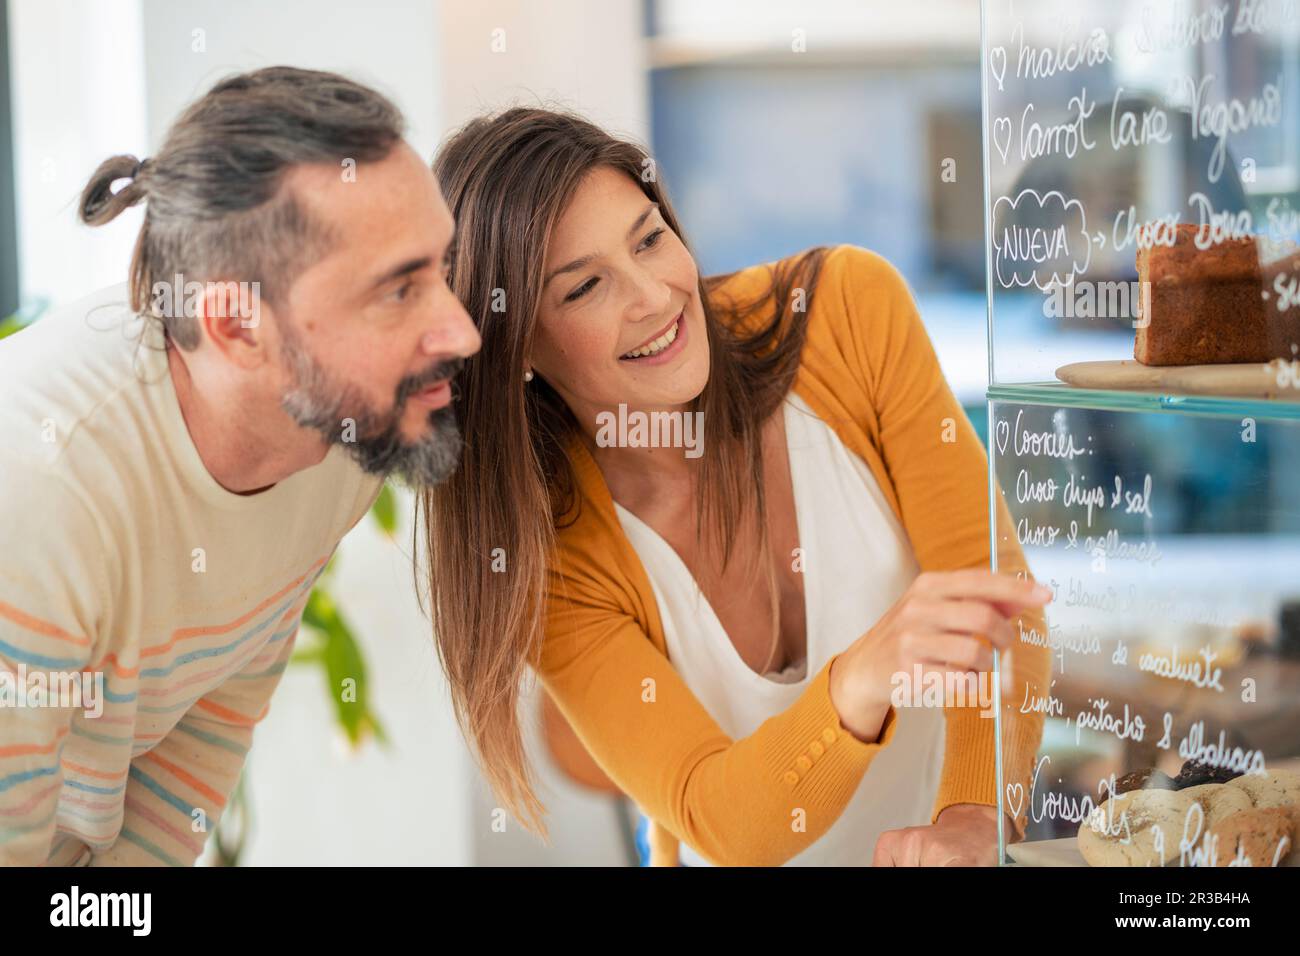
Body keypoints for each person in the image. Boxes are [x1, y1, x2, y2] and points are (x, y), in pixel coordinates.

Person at [422, 107, 1052, 866]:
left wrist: (974, 816)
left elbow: (1001, 604)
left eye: (649, 239)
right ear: (516, 344)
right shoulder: (547, 560)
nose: (655, 296)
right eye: (585, 286)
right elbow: (717, 818)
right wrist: (860, 678)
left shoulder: (848, 311)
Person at [0, 67, 479, 865]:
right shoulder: (38, 494)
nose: (462, 331)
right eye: (399, 292)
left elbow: (206, 731)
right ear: (235, 326)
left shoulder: (335, 438)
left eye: (441, 269)